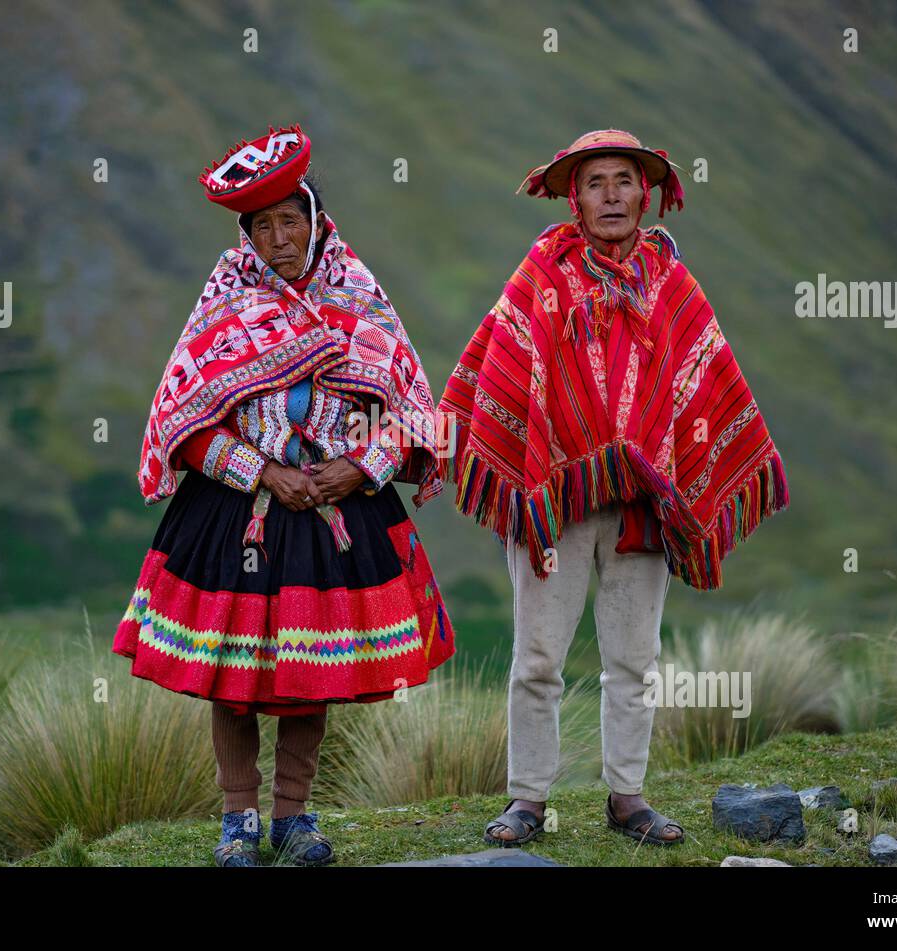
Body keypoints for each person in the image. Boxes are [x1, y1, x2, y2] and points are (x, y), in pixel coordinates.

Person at [114, 124, 455, 866]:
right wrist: (264, 472)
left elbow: (414, 416)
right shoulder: (223, 306)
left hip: (339, 510)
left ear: (316, 221)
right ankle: (238, 820)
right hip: (240, 515)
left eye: (290, 220)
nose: (278, 238)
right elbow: (183, 424)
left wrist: (358, 467)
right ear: (246, 236)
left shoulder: (360, 301)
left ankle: (294, 820)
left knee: (311, 677)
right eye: (261, 226)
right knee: (232, 680)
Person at [437, 129, 788, 848]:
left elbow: (704, 375)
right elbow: (491, 364)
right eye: (595, 182)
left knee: (634, 659)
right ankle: (527, 800)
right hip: (554, 504)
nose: (611, 195)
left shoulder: (672, 283)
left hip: (642, 507)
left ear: (645, 192)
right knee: (538, 657)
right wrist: (438, 442)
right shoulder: (543, 272)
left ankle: (627, 797)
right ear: (575, 197)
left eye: (623, 180)